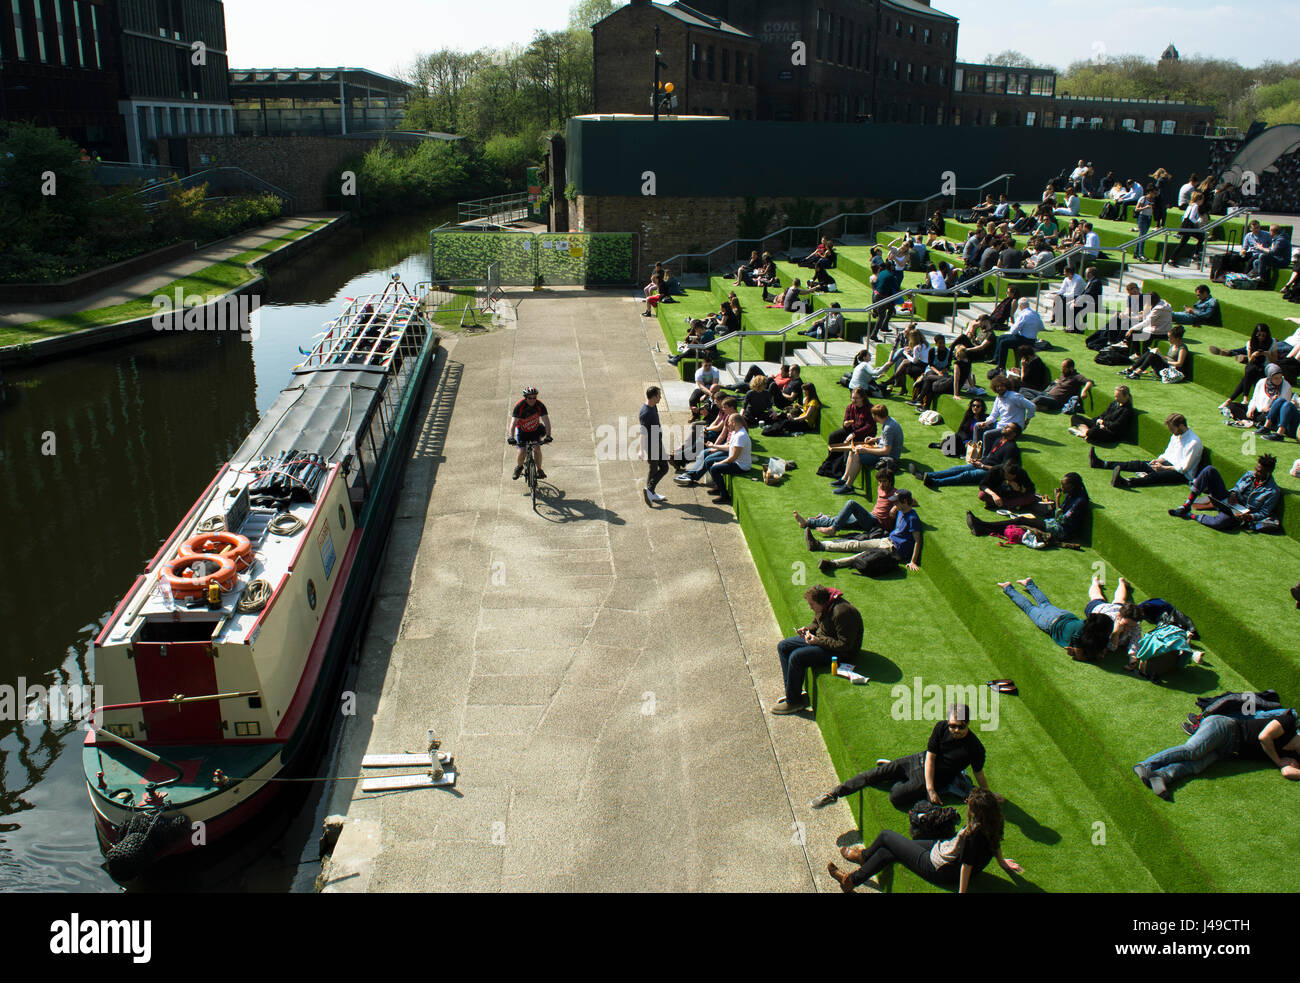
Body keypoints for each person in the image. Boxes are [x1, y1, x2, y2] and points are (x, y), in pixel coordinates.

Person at [826, 787, 1022, 893]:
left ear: (978, 812)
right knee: (889, 851)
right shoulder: (995, 821)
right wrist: (1002, 862)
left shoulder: (974, 835)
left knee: (887, 836)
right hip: (945, 850)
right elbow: (996, 844)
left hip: (941, 868)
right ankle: (851, 880)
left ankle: (862, 858)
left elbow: (966, 867)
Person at [810, 704, 996, 812]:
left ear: (968, 724)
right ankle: (834, 793)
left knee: (896, 796)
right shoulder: (941, 727)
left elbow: (979, 774)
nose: (955, 730)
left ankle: (895, 775)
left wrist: (988, 794)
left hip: (930, 778)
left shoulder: (975, 748)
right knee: (874, 774)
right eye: (952, 726)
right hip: (918, 761)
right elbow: (930, 757)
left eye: (960, 727)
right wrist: (931, 790)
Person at [1134, 708, 1300, 800]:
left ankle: (1161, 776)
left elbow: (1287, 772)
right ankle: (1146, 765)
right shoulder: (1288, 723)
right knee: (1193, 751)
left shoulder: (1296, 756)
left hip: (1227, 751)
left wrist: (1285, 764)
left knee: (1197, 766)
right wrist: (1278, 760)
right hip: (1225, 728)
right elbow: (1264, 737)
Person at [772, 585, 863, 714]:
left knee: (797, 657)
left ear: (822, 602)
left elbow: (844, 644)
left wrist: (818, 641)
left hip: (841, 653)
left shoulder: (842, 613)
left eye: (812, 605)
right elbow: (817, 622)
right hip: (823, 640)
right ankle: (792, 693)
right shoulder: (825, 605)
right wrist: (808, 630)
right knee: (784, 646)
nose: (810, 607)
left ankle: (793, 702)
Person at [806, 487, 923, 573]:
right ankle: (819, 545)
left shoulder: (912, 518)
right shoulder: (901, 510)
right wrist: (895, 508)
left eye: (896, 502)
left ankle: (832, 564)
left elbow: (917, 540)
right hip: (887, 540)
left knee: (860, 556)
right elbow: (912, 502)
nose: (894, 504)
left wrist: (913, 561)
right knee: (855, 544)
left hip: (893, 551)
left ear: (904, 502)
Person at [998, 578, 1113, 661]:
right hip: (1050, 622)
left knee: (1044, 603)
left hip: (1065, 615)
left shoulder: (1087, 624)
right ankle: (1008, 587)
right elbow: (1080, 656)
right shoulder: (1083, 634)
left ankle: (1029, 583)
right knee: (1029, 608)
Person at [965, 471, 1091, 546]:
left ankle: (983, 526)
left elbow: (1062, 520)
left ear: (1072, 486)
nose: (1061, 487)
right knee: (1020, 521)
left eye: (1064, 485)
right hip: (1053, 523)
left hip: (1061, 531)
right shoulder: (1072, 494)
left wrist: (1057, 500)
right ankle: (983, 527)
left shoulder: (1080, 501)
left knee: (1021, 520)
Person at [1090, 413, 1202, 489]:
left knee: (1154, 477)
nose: (1171, 431)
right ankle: (1103, 464)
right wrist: (1158, 460)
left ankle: (1126, 482)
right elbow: (1168, 453)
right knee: (1139, 464)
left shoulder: (1193, 442)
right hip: (1168, 464)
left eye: (1172, 428)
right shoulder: (1176, 435)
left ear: (1181, 426)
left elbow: (1184, 468)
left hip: (1181, 474)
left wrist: (1163, 468)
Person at [1170, 454, 1280, 531]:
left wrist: (1248, 517)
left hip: (1239, 515)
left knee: (1220, 522)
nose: (1255, 473)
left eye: (1259, 471)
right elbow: (1236, 487)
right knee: (1209, 470)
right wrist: (1233, 493)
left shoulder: (1272, 491)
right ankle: (1187, 505)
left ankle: (1190, 515)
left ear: (1269, 472)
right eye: (1256, 469)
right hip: (1228, 500)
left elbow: (1264, 513)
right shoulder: (1249, 474)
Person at [796, 460, 898, 538]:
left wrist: (895, 507)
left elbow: (912, 501)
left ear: (890, 482)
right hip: (870, 517)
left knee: (851, 503)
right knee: (839, 519)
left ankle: (833, 529)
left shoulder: (895, 493)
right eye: (880, 481)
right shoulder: (880, 488)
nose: (881, 484)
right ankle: (807, 522)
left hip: (877, 524)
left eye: (884, 481)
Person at [921, 422, 1021, 489]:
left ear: (1014, 433)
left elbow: (1004, 468)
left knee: (966, 475)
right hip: (982, 464)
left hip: (992, 473)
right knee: (957, 468)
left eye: (1008, 427)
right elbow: (990, 457)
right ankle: (926, 475)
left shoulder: (1011, 448)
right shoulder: (999, 440)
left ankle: (935, 482)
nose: (1005, 427)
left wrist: (982, 466)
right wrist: (979, 460)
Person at [833, 404, 902, 492]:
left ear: (876, 416)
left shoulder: (889, 428)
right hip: (883, 450)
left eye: (873, 415)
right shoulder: (889, 422)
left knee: (857, 455)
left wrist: (865, 450)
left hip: (889, 457)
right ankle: (844, 478)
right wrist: (875, 439)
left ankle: (849, 486)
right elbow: (887, 438)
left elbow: (886, 451)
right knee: (853, 450)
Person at [972, 374, 1035, 457]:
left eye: (1001, 386)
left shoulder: (1014, 396)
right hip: (1001, 425)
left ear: (1006, 386)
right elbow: (994, 415)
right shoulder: (998, 399)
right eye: (997, 387)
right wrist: (986, 423)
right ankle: (975, 454)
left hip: (1013, 429)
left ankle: (985, 458)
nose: (999, 388)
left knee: (987, 434)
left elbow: (1032, 406)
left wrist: (1027, 420)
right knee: (977, 426)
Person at [1085, 574, 1143, 658]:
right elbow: (1111, 647)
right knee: (1096, 596)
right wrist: (1115, 633)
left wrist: (1133, 658)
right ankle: (1095, 582)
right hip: (1100, 608)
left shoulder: (1136, 623)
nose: (1128, 629)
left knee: (1120, 600)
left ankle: (1122, 582)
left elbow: (1135, 642)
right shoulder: (1105, 622)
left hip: (1117, 608)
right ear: (1119, 616)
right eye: (1126, 625)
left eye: (1131, 626)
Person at [705, 413, 752, 506]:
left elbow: (733, 457)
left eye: (729, 422)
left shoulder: (741, 436)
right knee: (708, 461)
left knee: (715, 468)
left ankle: (724, 496)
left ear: (734, 423)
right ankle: (719, 486)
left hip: (741, 466)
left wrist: (719, 463)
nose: (727, 424)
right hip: (735, 461)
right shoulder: (736, 432)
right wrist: (713, 446)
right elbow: (729, 447)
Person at [507, 385, 552, 480]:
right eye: (529, 398)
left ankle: (539, 469)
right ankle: (519, 468)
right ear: (525, 398)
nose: (532, 400)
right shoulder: (519, 406)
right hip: (522, 431)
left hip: (535, 430)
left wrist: (548, 435)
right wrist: (511, 437)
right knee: (522, 451)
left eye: (534, 397)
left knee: (537, 449)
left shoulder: (540, 405)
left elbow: (546, 421)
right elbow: (513, 423)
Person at [1020, 358, 1093, 413]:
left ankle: (1027, 405)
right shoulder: (1064, 374)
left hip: (1057, 401)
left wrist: (1084, 391)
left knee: (1040, 398)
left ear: (1071, 368)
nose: (1062, 370)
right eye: (1062, 367)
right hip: (1046, 394)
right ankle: (1038, 406)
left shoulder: (1076, 376)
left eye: (1064, 368)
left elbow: (1089, 382)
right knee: (1022, 390)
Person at [991, 298, 1045, 372]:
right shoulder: (1036, 314)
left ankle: (1001, 366)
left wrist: (1013, 326)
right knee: (1001, 337)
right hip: (1032, 339)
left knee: (1004, 342)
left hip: (1024, 339)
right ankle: (996, 359)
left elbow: (1013, 331)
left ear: (1020, 306)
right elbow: (1041, 327)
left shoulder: (1023, 315)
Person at [1070, 385, 1134, 443]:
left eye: (1118, 397)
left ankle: (1083, 433)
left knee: (1093, 431)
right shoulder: (1115, 403)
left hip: (1110, 432)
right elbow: (1104, 414)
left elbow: (1116, 425)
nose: (1116, 398)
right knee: (1075, 417)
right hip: (1101, 425)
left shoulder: (1127, 410)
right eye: (1115, 396)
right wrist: (1097, 420)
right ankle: (1085, 434)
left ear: (1126, 396)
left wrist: (1103, 423)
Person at [639, 387, 670, 507]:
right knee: (660, 468)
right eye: (659, 396)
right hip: (651, 445)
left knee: (660, 468)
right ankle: (649, 491)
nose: (660, 398)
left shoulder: (653, 406)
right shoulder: (646, 413)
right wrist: (641, 450)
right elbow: (643, 432)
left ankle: (650, 492)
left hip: (657, 443)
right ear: (653, 397)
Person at [1125, 323, 1189, 381]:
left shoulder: (1182, 348)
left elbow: (1179, 363)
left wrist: (1164, 360)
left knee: (1152, 355)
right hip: (1166, 365)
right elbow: (1168, 357)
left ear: (1177, 338)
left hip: (1171, 370)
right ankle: (1131, 369)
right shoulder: (1172, 345)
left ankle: (1137, 373)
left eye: (1171, 338)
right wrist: (1160, 355)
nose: (1168, 339)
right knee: (1150, 352)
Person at [1166, 191, 1207, 267]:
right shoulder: (1195, 206)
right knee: (1200, 238)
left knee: (1185, 242)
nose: (1202, 202)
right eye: (1202, 200)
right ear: (1199, 200)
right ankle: (1194, 255)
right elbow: (1191, 217)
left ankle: (1172, 259)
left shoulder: (1190, 206)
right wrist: (1197, 222)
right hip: (1189, 226)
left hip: (1186, 225)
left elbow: (1185, 217)